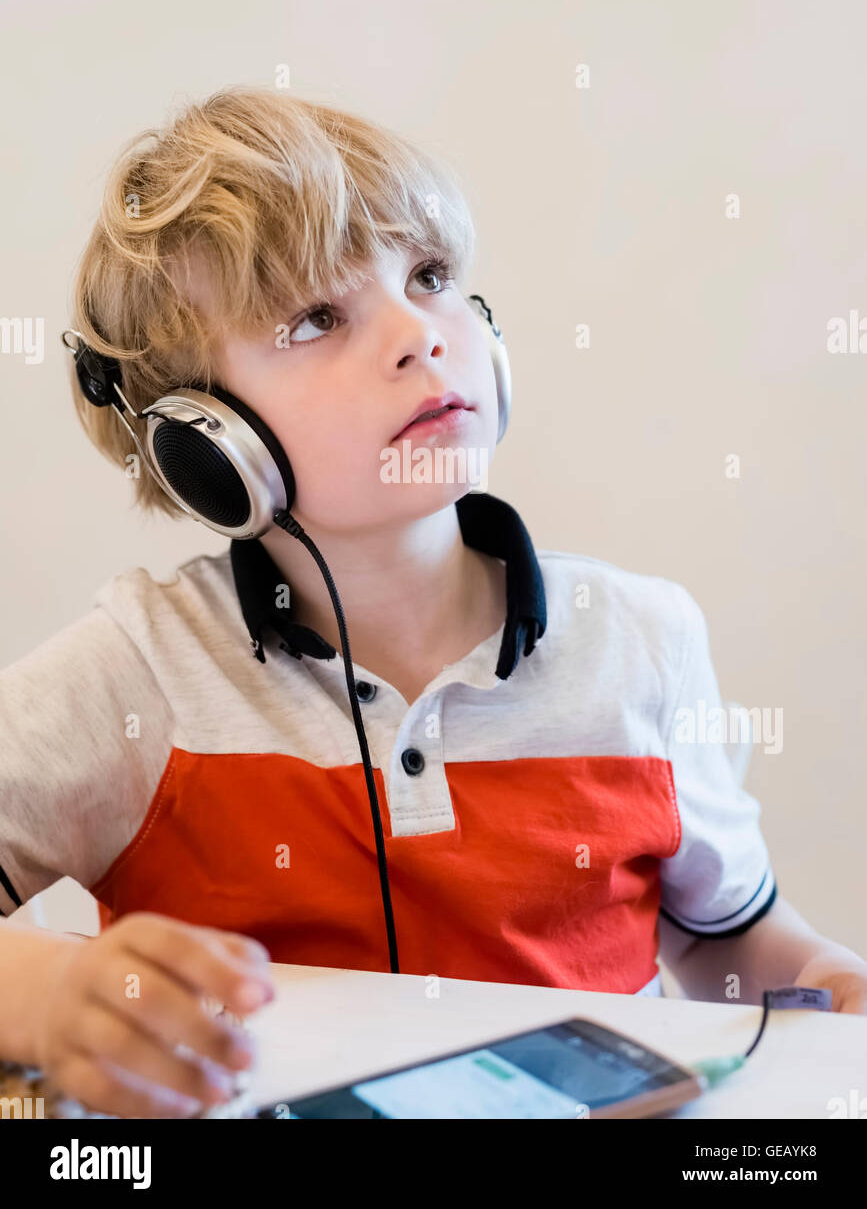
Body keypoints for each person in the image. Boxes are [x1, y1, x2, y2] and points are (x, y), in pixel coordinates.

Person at [1, 86, 864, 1120]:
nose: (420, 334)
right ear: (202, 440)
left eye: (430, 278)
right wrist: (47, 996)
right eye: (317, 318)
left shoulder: (644, 641)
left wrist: (827, 987)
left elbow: (732, 942)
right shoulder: (137, 674)